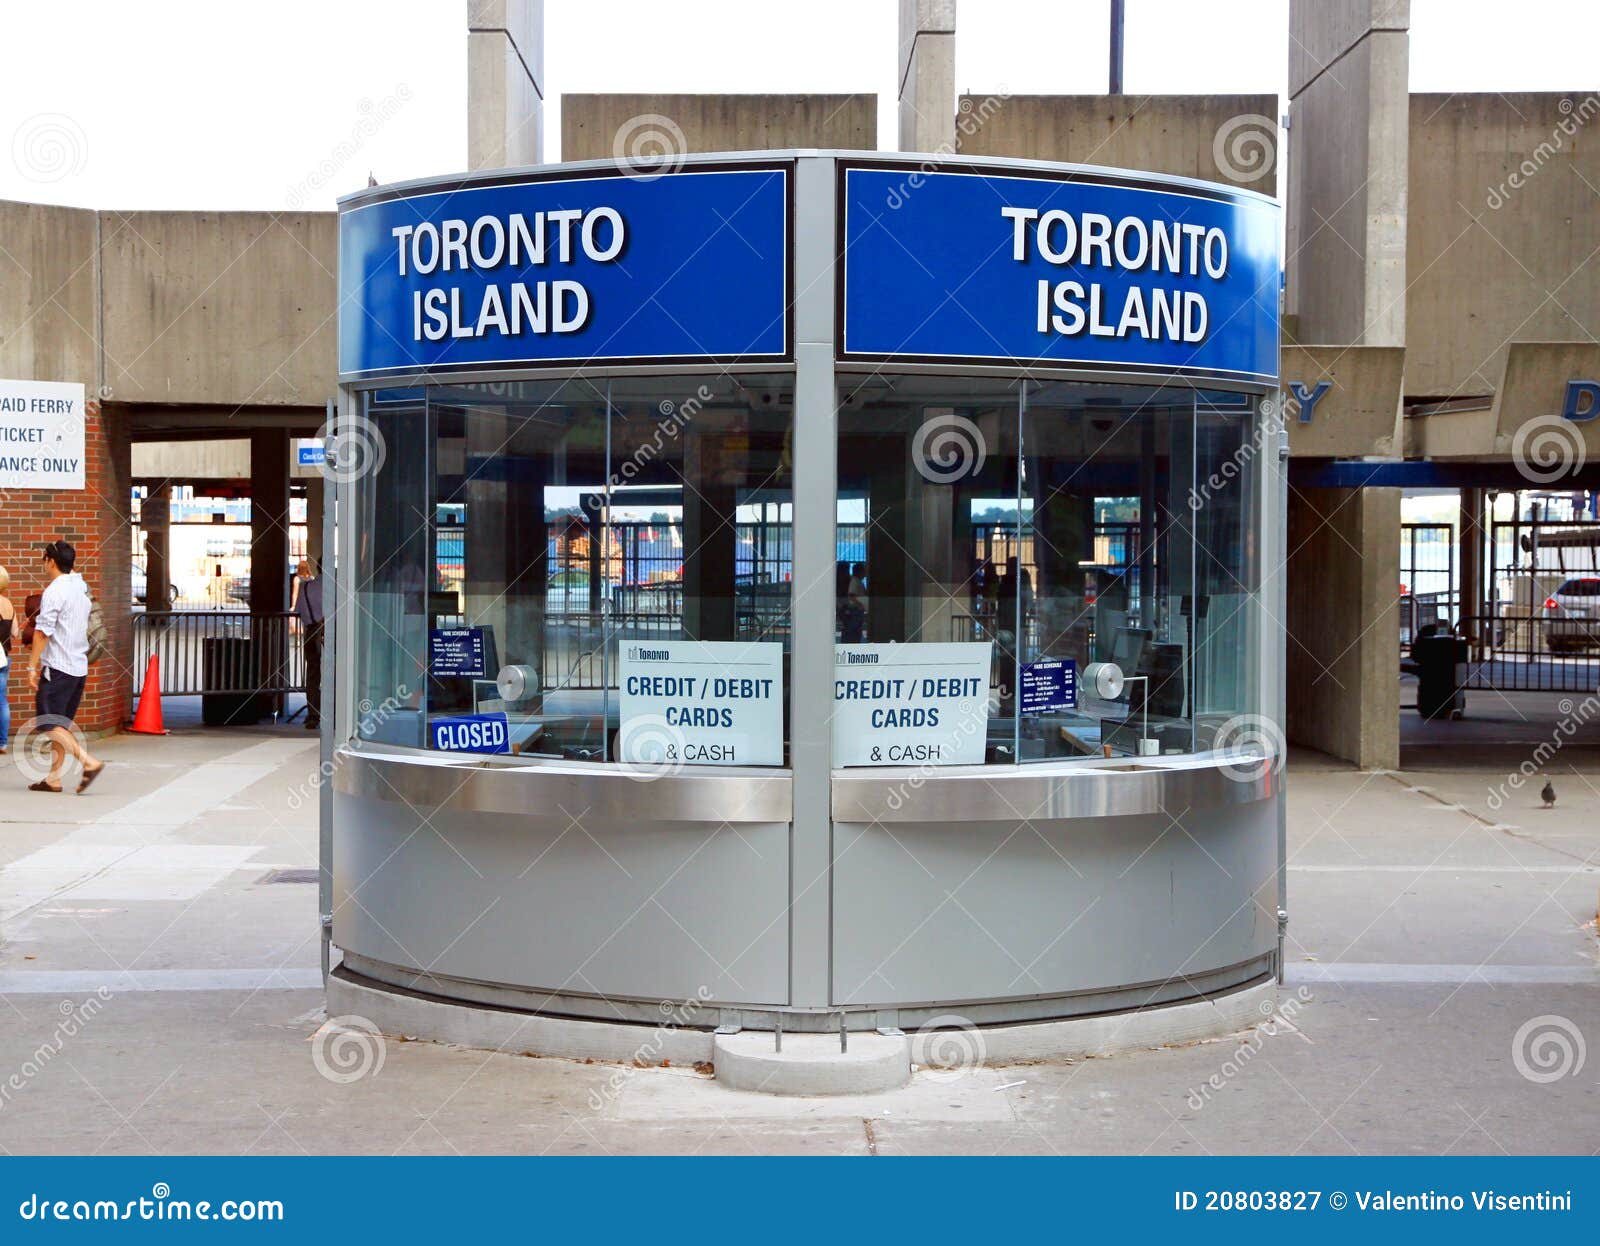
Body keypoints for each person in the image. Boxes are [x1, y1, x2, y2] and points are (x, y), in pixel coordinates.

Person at [28, 541, 105, 793]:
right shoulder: (80, 586)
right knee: (60, 724)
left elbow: (42, 632)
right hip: (78, 667)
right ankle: (53, 778)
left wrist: (31, 667)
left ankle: (88, 762)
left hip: (58, 668)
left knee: (49, 723)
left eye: (45, 559)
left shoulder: (55, 591)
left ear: (51, 561)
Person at [292, 558, 325, 730]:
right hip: (332, 632)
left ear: (318, 567)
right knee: (335, 674)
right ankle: (335, 713)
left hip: (311, 631)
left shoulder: (306, 587)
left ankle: (313, 715)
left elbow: (300, 610)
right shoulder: (338, 588)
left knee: (313, 674)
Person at [0, 565, 13, 755]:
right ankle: (2, 743)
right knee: (2, 701)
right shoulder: (9, 604)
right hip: (5, 657)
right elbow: (15, 632)